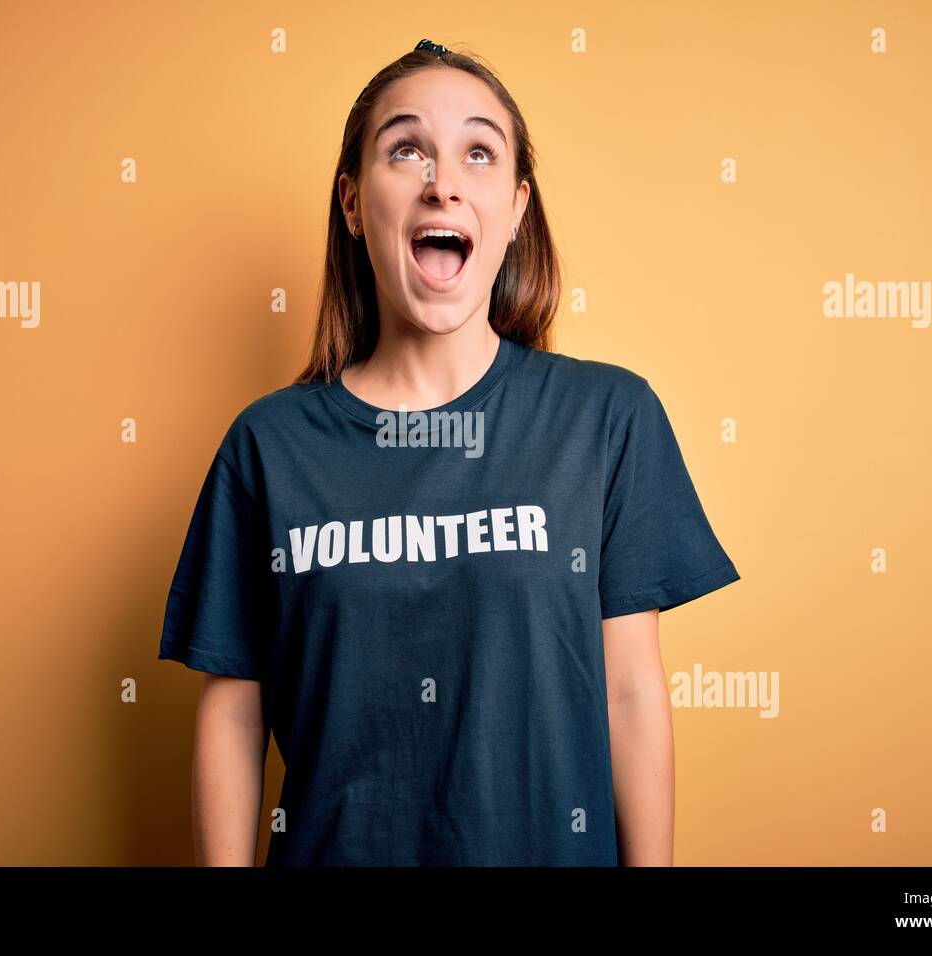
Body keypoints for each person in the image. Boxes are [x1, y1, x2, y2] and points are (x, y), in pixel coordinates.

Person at [158, 38, 740, 866]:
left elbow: (632, 690)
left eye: (477, 151)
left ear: (515, 208)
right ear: (355, 206)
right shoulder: (268, 447)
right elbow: (234, 709)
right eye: (406, 149)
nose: (444, 181)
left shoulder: (607, 418)